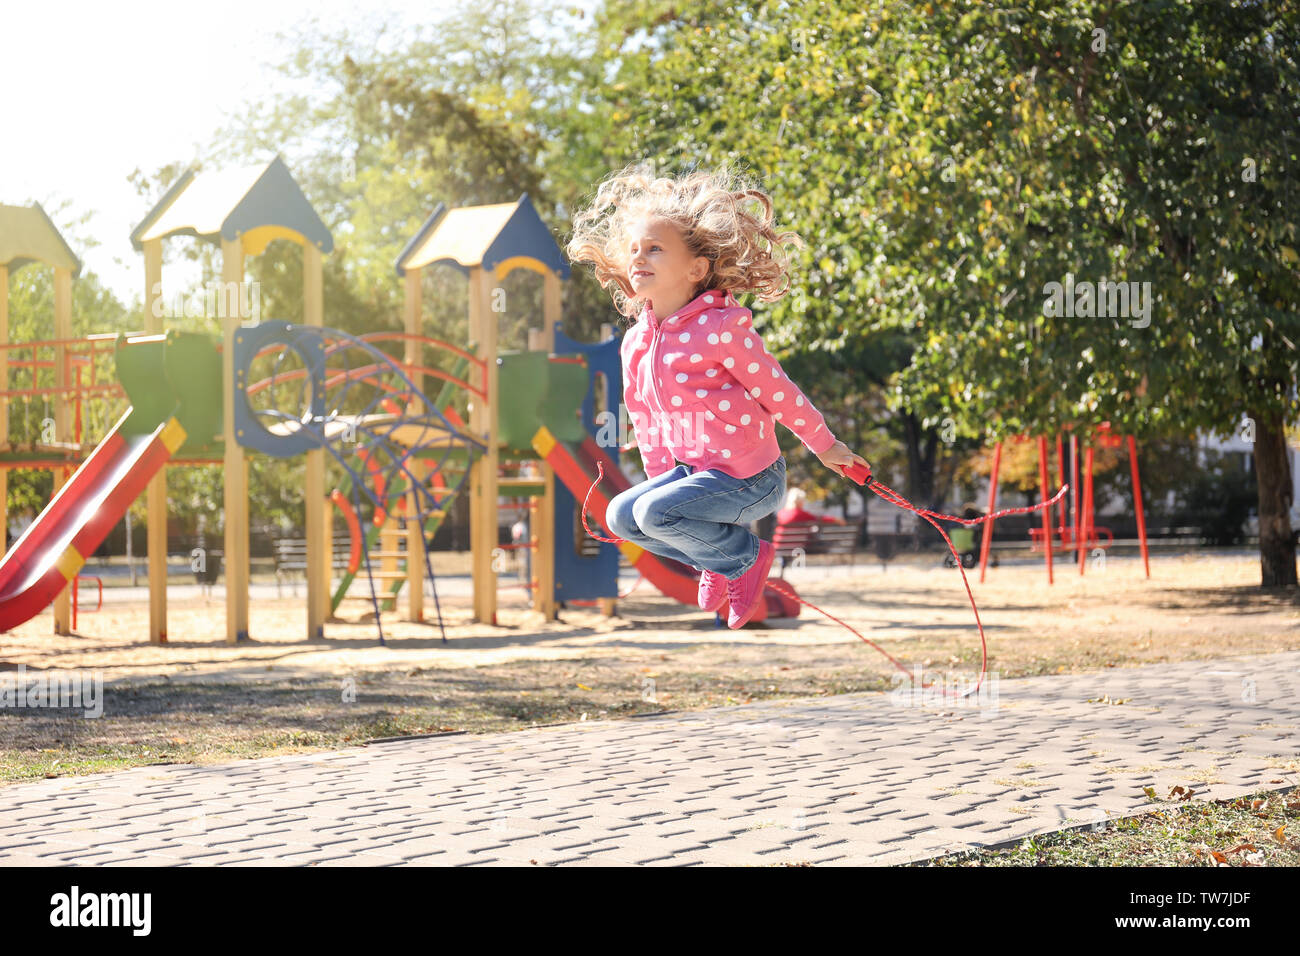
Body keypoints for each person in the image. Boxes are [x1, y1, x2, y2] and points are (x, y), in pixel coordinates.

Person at [565, 162, 870, 628]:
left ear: (696, 268)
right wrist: (664, 485)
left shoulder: (722, 326)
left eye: (655, 248)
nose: (639, 257)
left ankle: (743, 559)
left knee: (650, 512)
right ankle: (719, 559)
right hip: (695, 477)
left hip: (751, 479)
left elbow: (778, 391)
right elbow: (648, 425)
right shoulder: (637, 343)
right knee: (623, 517)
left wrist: (825, 445)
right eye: (634, 250)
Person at [775, 488, 843, 527]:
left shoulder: (781, 513)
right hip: (797, 547)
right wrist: (836, 520)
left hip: (780, 546)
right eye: (802, 501)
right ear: (799, 502)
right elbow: (819, 519)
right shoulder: (800, 513)